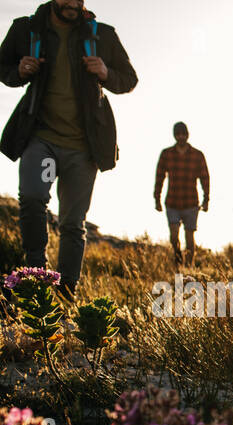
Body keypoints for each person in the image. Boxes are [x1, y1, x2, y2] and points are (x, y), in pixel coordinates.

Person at [0, 0, 137, 299]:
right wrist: (19, 71)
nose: (73, 3)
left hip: (82, 149)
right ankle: (37, 277)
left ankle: (65, 292)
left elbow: (129, 79)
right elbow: (3, 67)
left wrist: (105, 72)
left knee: (73, 222)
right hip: (42, 141)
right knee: (34, 198)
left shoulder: (102, 35)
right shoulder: (27, 29)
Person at [154, 122, 209, 267]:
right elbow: (159, 177)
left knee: (190, 237)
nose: (181, 137)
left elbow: (205, 178)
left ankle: (188, 267)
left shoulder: (197, 155)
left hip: (191, 202)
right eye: (178, 134)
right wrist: (157, 199)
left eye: (183, 134)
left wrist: (206, 199)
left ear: (187, 135)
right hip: (172, 201)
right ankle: (178, 261)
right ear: (175, 135)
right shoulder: (167, 154)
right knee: (173, 237)